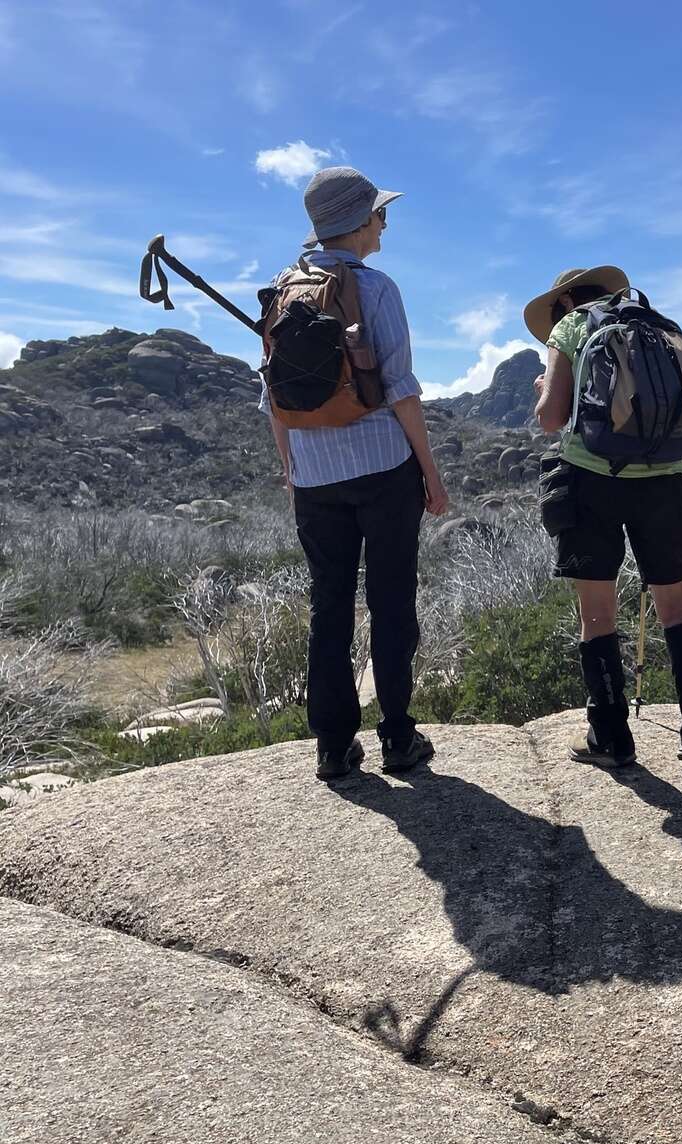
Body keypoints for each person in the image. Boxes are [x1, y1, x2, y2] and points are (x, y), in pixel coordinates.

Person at [261, 166, 448, 782]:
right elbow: (402, 391)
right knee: (392, 601)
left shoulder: (283, 289)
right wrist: (431, 474)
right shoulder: (378, 289)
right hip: (383, 466)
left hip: (315, 476)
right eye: (379, 213)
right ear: (361, 221)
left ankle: (333, 747)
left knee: (329, 607)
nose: (385, 223)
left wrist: (291, 468)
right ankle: (398, 736)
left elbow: (276, 398)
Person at [528, 267, 682, 769]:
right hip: (667, 480)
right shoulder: (660, 326)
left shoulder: (571, 328)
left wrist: (544, 386)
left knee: (597, 611)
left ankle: (610, 737)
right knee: (676, 604)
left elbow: (551, 417)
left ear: (564, 302)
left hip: (590, 479)